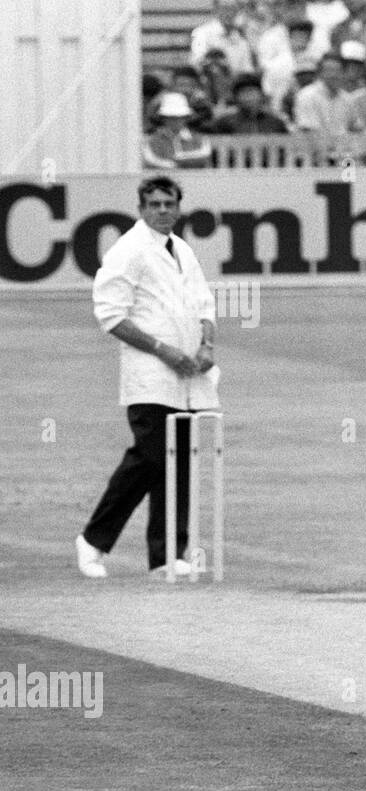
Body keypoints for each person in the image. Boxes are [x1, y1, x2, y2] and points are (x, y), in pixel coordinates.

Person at [77, 177, 220, 580]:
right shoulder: (128, 251)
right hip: (150, 377)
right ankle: (92, 540)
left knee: (179, 465)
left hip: (189, 377)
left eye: (169, 204)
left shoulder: (183, 250)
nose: (162, 211)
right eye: (154, 204)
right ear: (141, 208)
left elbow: (203, 301)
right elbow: (110, 316)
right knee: (151, 457)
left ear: (178, 207)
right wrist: (163, 350)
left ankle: (167, 555)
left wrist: (206, 344)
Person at [144, 93, 214, 168]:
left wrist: (180, 159)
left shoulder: (199, 140)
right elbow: (151, 160)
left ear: (186, 118)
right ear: (164, 119)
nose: (176, 121)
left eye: (179, 117)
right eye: (171, 117)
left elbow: (205, 157)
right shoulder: (154, 141)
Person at [205, 74, 291, 133]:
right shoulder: (224, 123)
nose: (249, 97)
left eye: (252, 92)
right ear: (236, 97)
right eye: (244, 93)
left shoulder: (276, 122)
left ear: (261, 94)